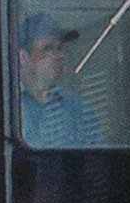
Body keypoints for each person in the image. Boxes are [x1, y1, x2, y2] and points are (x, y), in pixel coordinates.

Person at [16, 14, 102, 148]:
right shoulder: (11, 110)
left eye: (59, 48)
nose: (58, 56)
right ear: (24, 57)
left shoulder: (78, 110)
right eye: (47, 48)